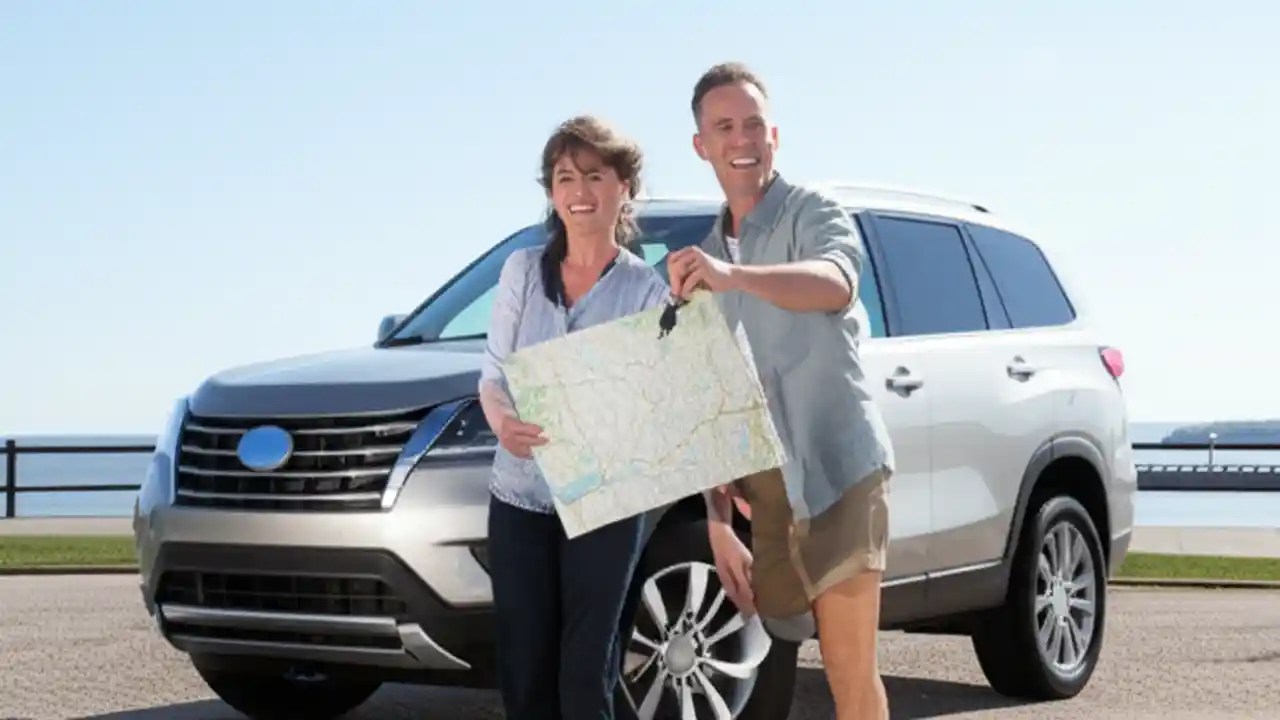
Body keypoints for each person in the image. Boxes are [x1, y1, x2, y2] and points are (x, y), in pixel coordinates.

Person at [667, 62, 896, 720]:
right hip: (763, 495)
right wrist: (716, 523)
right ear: (701, 145)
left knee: (850, 673)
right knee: (773, 662)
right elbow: (707, 401)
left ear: (774, 134)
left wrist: (734, 277)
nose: (742, 139)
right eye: (723, 127)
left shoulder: (812, 212)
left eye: (753, 124)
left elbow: (834, 282)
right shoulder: (700, 257)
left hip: (839, 469)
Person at [477, 115, 671, 720]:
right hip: (519, 499)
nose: (580, 191)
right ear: (551, 192)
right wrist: (503, 422)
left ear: (625, 188)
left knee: (587, 675)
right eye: (565, 177)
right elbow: (492, 375)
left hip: (604, 504)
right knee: (526, 673)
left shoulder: (646, 291)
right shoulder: (521, 273)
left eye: (594, 175)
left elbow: (656, 399)